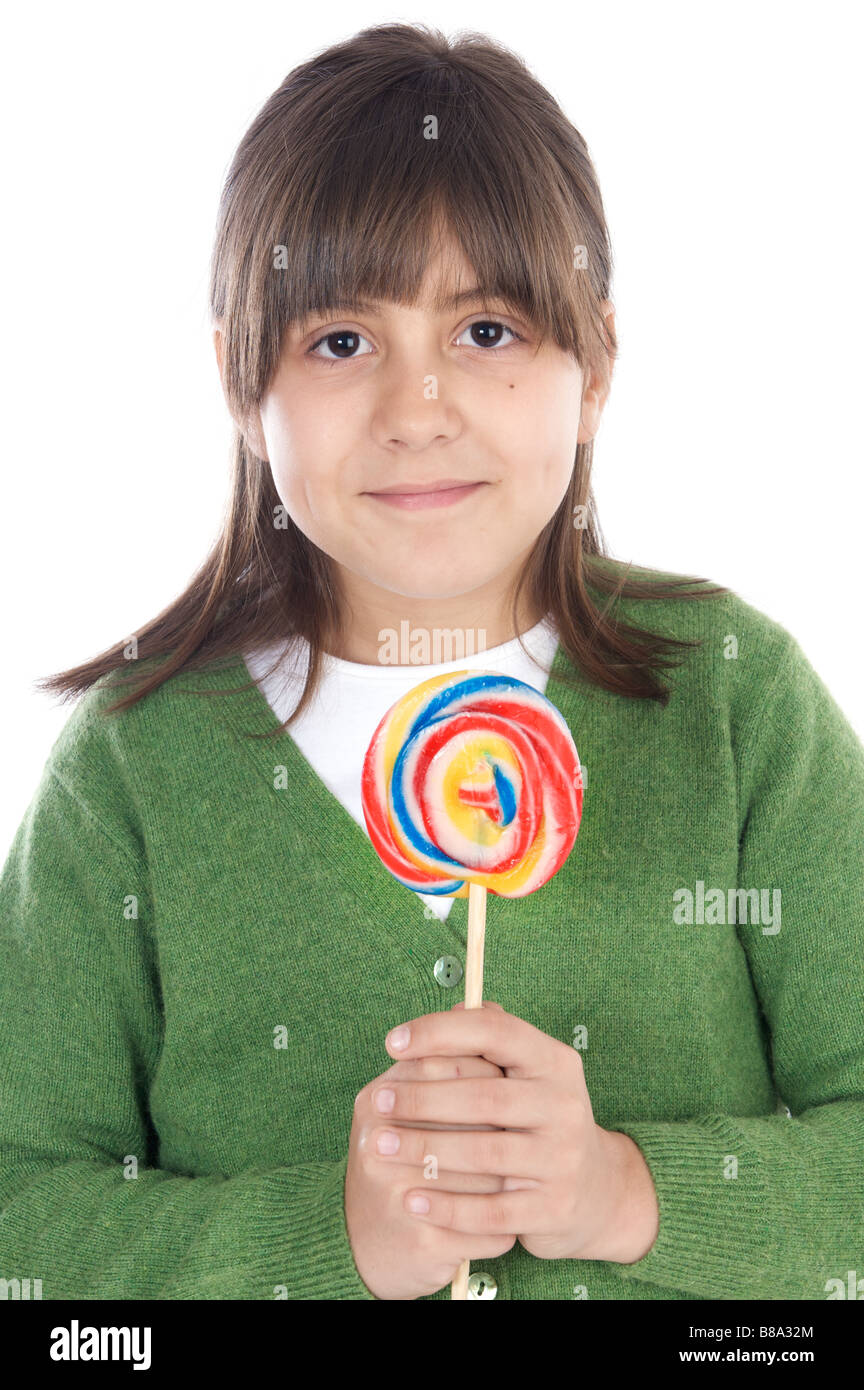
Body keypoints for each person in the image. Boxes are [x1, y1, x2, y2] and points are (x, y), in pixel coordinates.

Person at [1, 22, 861, 1303]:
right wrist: (321, 1240)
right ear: (245, 385)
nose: (418, 409)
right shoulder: (131, 765)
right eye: (341, 342)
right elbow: (25, 1215)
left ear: (598, 364)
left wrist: (625, 1193)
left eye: (491, 331)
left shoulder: (735, 700)